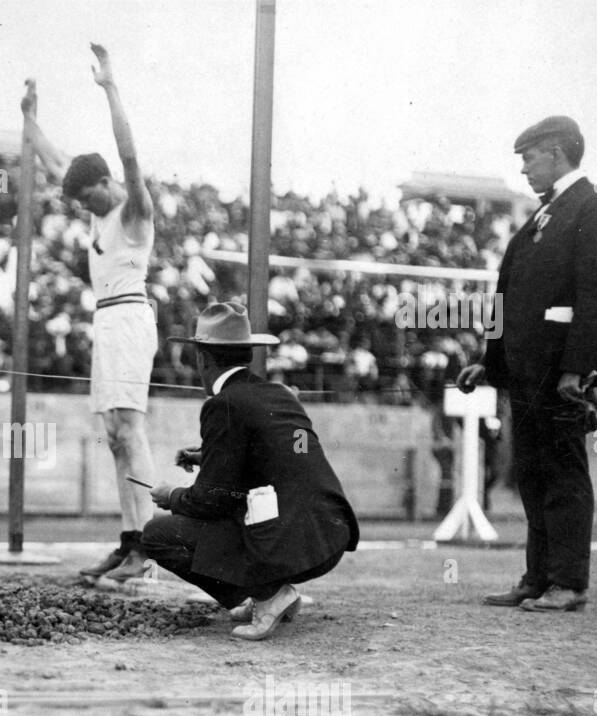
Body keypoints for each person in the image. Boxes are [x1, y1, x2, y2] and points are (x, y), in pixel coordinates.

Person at [457, 116, 597, 612]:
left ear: (556, 152)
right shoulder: (540, 219)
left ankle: (569, 582)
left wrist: (576, 368)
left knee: (563, 473)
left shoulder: (595, 207)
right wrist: (490, 362)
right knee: (532, 471)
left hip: (560, 372)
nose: (525, 168)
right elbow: (509, 299)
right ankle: (539, 577)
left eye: (529, 157)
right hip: (528, 370)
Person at [141, 303, 359, 641]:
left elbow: (210, 501)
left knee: (157, 534)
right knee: (233, 514)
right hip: (328, 534)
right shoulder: (279, 394)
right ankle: (265, 594)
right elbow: (291, 454)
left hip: (287, 542)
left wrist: (173, 496)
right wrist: (207, 456)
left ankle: (268, 594)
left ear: (202, 358)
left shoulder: (222, 404)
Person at [24, 44, 159, 585]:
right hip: (106, 321)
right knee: (112, 433)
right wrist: (31, 120)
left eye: (86, 199)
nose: (81, 207)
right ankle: (130, 543)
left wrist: (110, 87)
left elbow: (128, 155)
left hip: (129, 317)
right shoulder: (96, 205)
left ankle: (151, 546)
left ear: (105, 185)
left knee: (130, 428)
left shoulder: (133, 212)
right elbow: (57, 163)